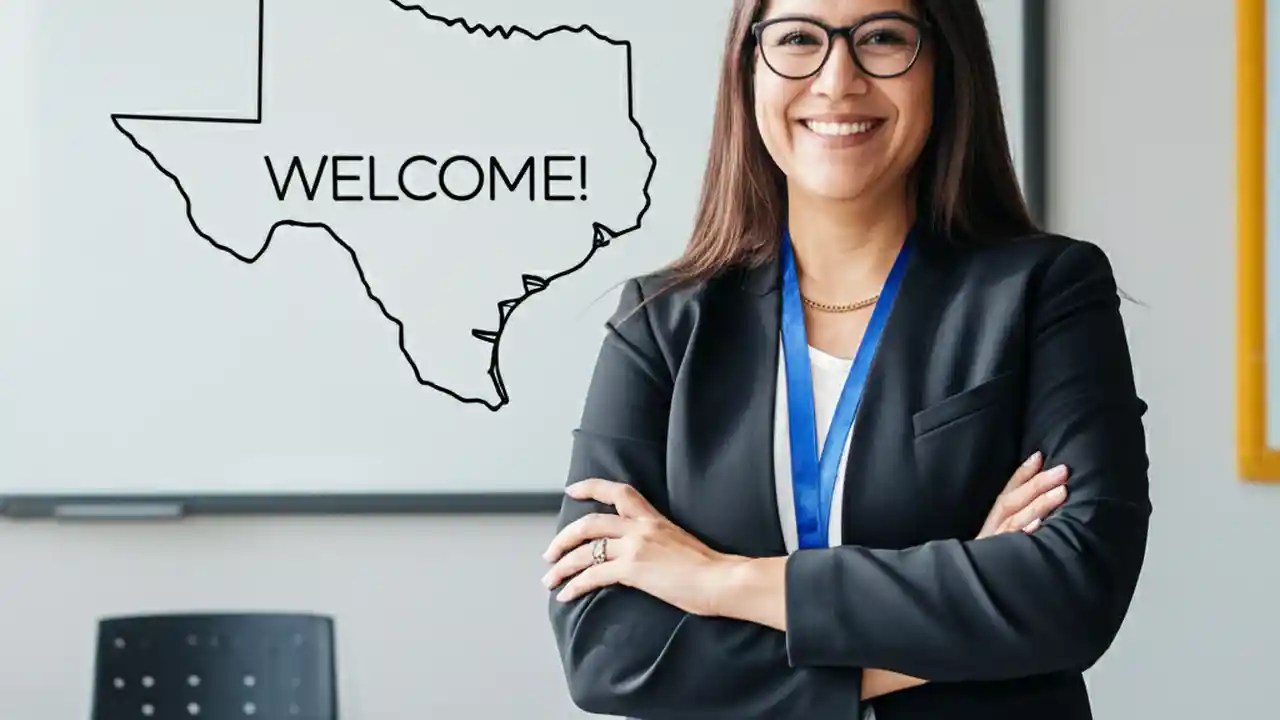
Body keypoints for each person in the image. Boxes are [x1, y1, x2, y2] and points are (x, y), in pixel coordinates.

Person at [540, 0, 1151, 718]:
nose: (838, 79)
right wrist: (954, 618)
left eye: (882, 38)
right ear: (748, 70)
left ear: (944, 67)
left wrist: (719, 581)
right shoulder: (662, 324)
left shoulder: (1046, 292)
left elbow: (1070, 592)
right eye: (799, 38)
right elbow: (606, 653)